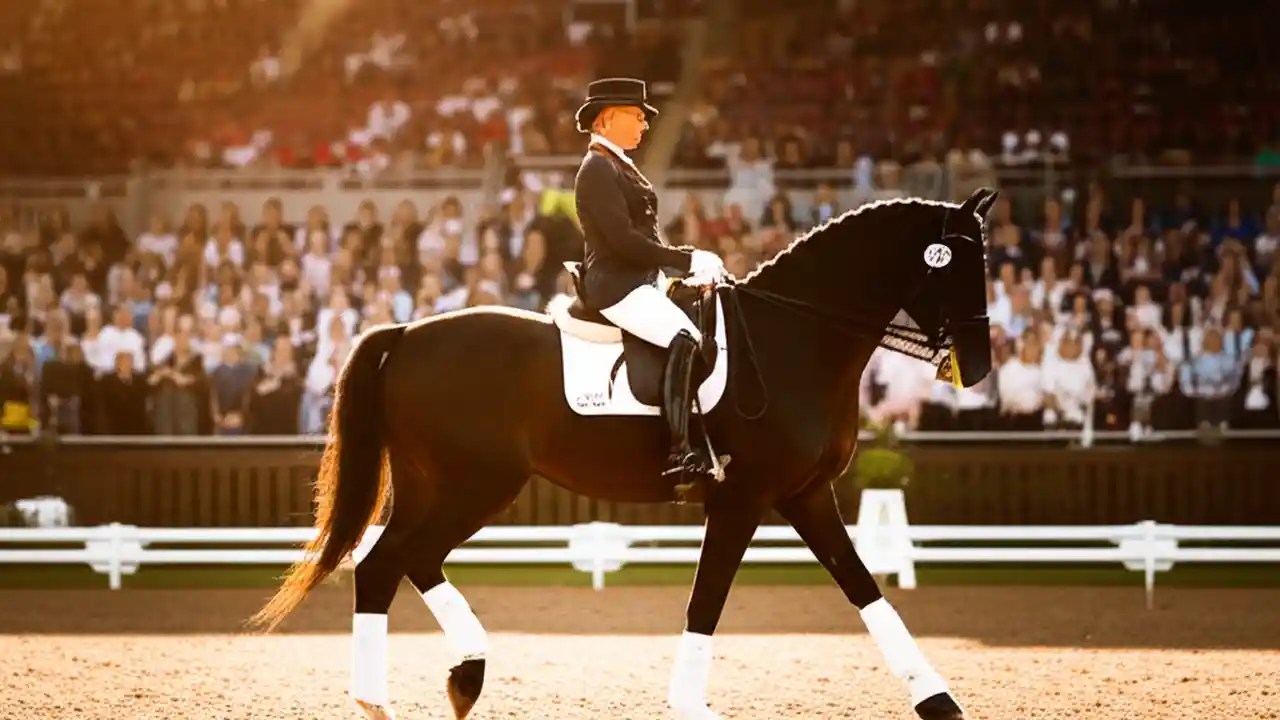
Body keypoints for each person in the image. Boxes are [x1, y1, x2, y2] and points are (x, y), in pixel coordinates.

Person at [571, 77, 727, 487]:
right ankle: (679, 450)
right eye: (636, 116)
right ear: (607, 119)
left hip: (642, 280)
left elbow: (648, 237)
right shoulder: (596, 169)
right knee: (686, 339)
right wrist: (685, 260)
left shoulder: (619, 164)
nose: (643, 124)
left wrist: (686, 264)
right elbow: (624, 241)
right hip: (617, 284)